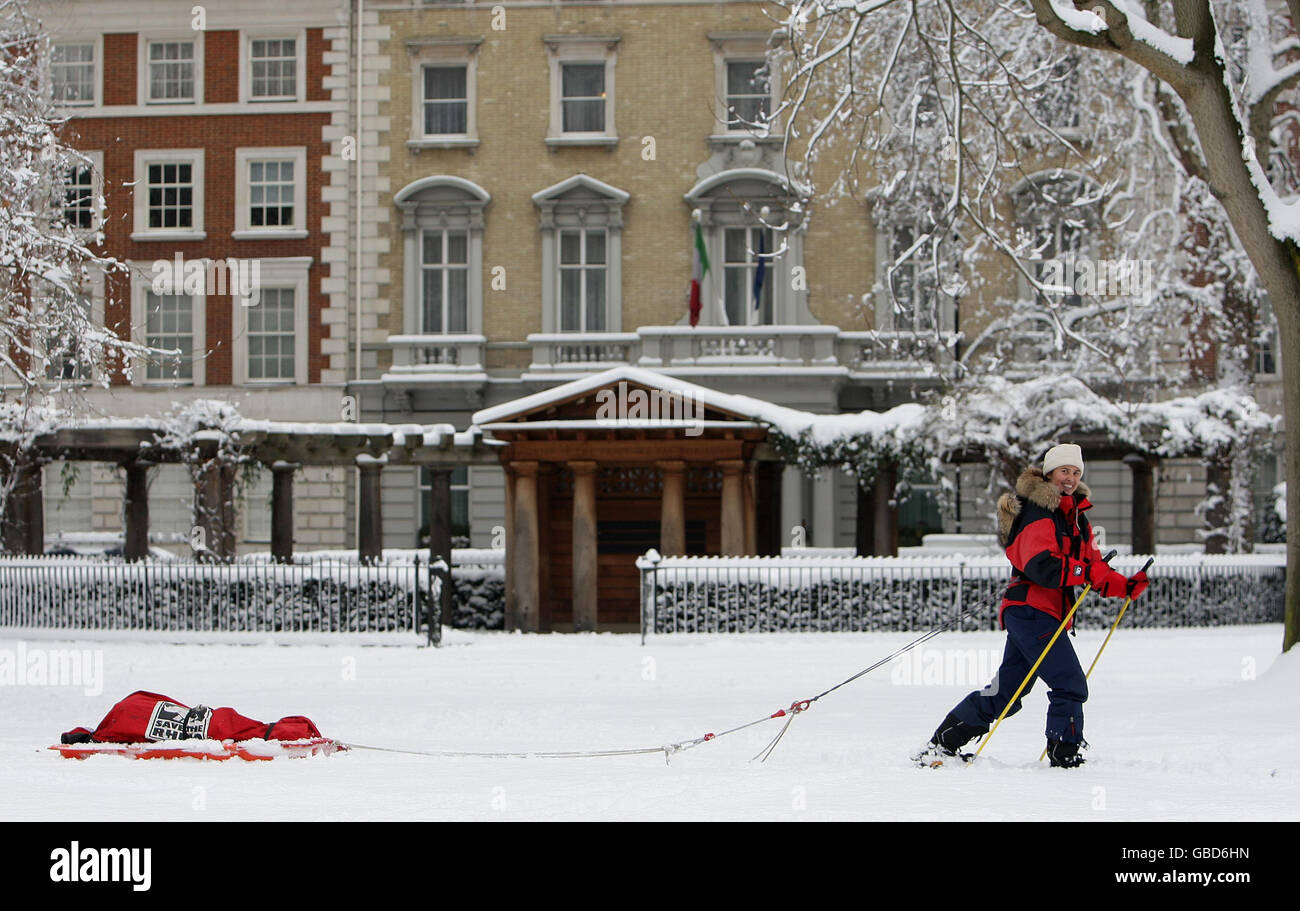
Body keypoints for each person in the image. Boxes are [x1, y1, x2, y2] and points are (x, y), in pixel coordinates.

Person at [911, 443, 1149, 768]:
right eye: (1064, 471)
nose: (1070, 477)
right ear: (1049, 473)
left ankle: (942, 744)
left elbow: (1093, 566)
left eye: (1076, 472)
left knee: (1006, 693)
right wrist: (1083, 572)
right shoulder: (1038, 510)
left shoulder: (1076, 519)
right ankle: (1065, 755)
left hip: (1039, 615)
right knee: (1069, 683)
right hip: (1032, 612)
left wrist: (1126, 586)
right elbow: (1041, 566)